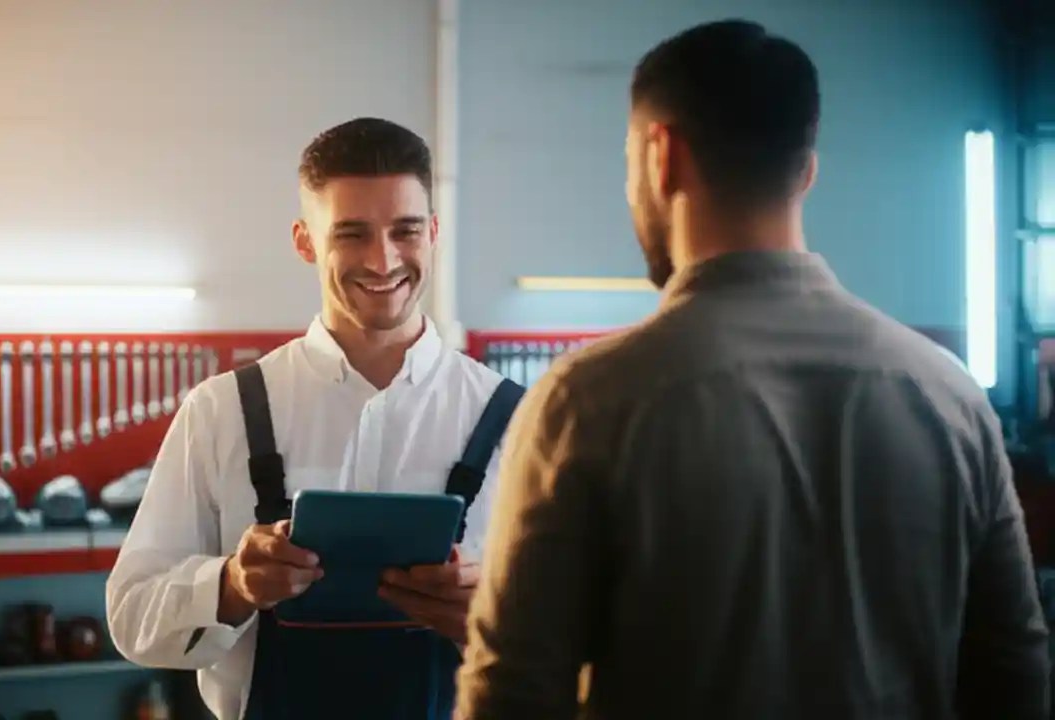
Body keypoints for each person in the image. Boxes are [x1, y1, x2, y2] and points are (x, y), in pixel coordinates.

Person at [455, 19, 1051, 720]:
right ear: (806, 170)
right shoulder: (948, 394)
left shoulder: (586, 401)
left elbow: (516, 695)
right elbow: (1013, 673)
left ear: (661, 156)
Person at [106, 117, 523, 720]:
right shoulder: (222, 411)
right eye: (352, 234)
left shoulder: (517, 422)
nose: (383, 260)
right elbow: (131, 618)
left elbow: (584, 633)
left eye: (405, 230)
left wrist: (497, 618)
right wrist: (231, 586)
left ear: (432, 233)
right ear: (305, 241)